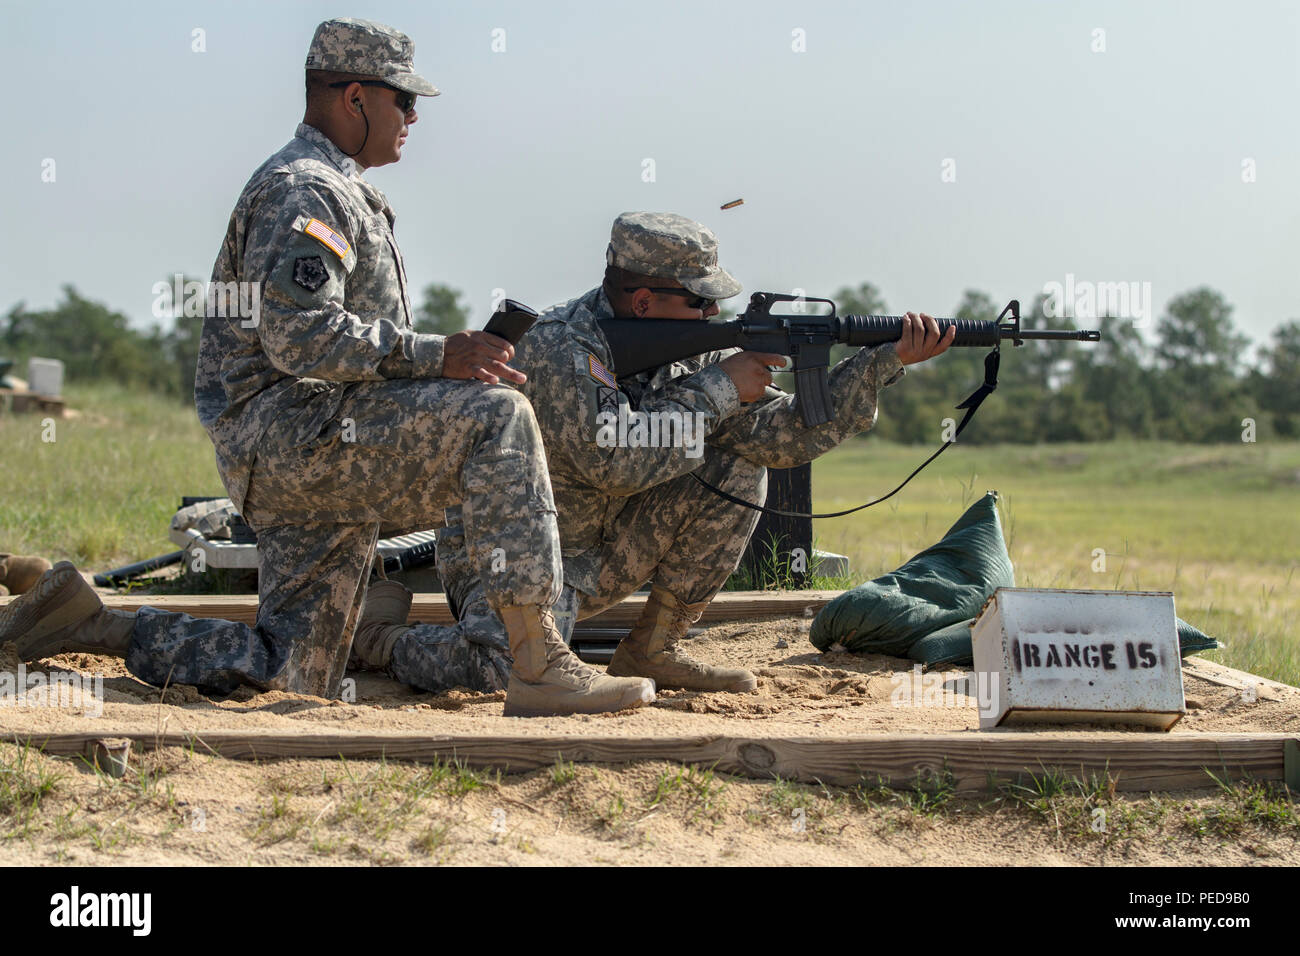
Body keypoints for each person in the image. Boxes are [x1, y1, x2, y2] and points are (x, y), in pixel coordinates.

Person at [0, 19, 653, 718]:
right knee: (498, 421)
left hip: (302, 446)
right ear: (353, 97)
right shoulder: (304, 190)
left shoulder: (333, 188)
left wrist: (433, 368)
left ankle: (90, 623)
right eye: (403, 100)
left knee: (288, 674)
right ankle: (537, 661)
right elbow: (298, 336)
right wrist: (439, 355)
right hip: (300, 440)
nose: (413, 117)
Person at [352, 211, 955, 695]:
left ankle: (655, 647)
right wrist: (720, 388)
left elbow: (777, 440)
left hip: (607, 550)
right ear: (643, 304)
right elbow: (614, 463)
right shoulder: (562, 349)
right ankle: (379, 636)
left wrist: (880, 364)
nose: (713, 315)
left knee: (738, 467)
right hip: (519, 564)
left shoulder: (688, 349)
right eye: (699, 302)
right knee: (501, 675)